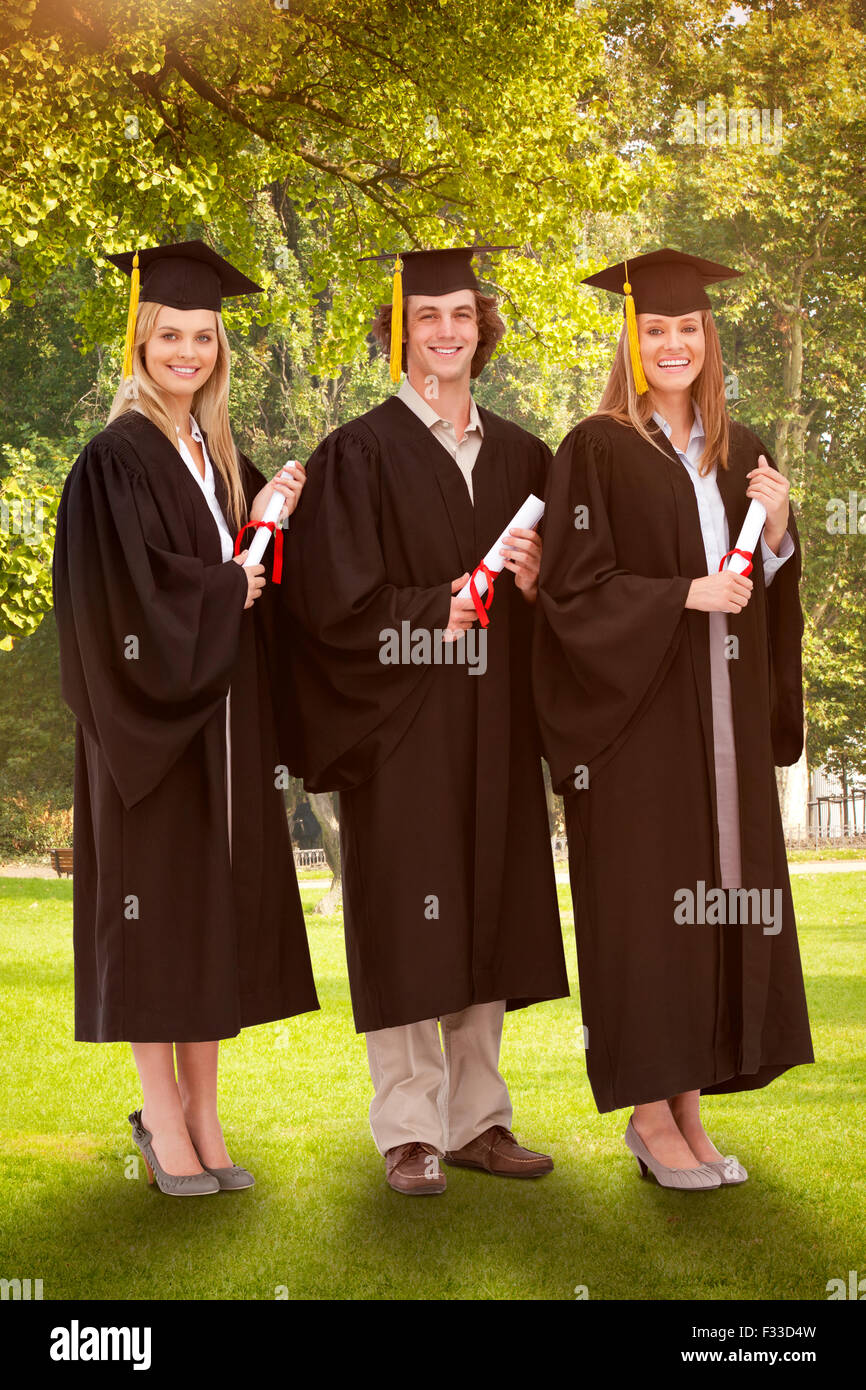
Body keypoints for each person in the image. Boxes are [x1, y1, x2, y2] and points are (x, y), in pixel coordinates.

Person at [283, 245, 569, 1194]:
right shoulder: (356, 453)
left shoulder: (528, 455)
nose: (446, 333)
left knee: (487, 900)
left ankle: (478, 1119)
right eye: (426, 318)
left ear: (481, 329)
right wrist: (425, 610)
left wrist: (537, 583)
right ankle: (408, 1128)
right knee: (407, 914)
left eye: (461, 316)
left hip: (494, 722)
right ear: (398, 333)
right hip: (397, 722)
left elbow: (568, 599)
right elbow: (326, 601)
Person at [532, 248, 814, 1191]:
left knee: (712, 912)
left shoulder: (744, 449)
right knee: (653, 917)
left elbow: (764, 590)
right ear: (631, 338)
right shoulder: (597, 448)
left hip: (724, 727)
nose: (672, 344)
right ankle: (652, 1120)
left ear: (708, 338)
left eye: (686, 329)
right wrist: (681, 596)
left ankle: (691, 1111)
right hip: (636, 735)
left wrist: (776, 534)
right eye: (654, 330)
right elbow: (571, 595)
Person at [52, 240, 319, 1196]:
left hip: (223, 726)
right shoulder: (114, 458)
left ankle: (206, 1114)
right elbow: (126, 597)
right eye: (169, 335)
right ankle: (161, 1119)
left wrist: (268, 518)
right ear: (139, 339)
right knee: (158, 920)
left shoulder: (215, 454)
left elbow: (249, 579)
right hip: (149, 735)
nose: (187, 352)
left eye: (202, 337)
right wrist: (230, 581)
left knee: (210, 921)